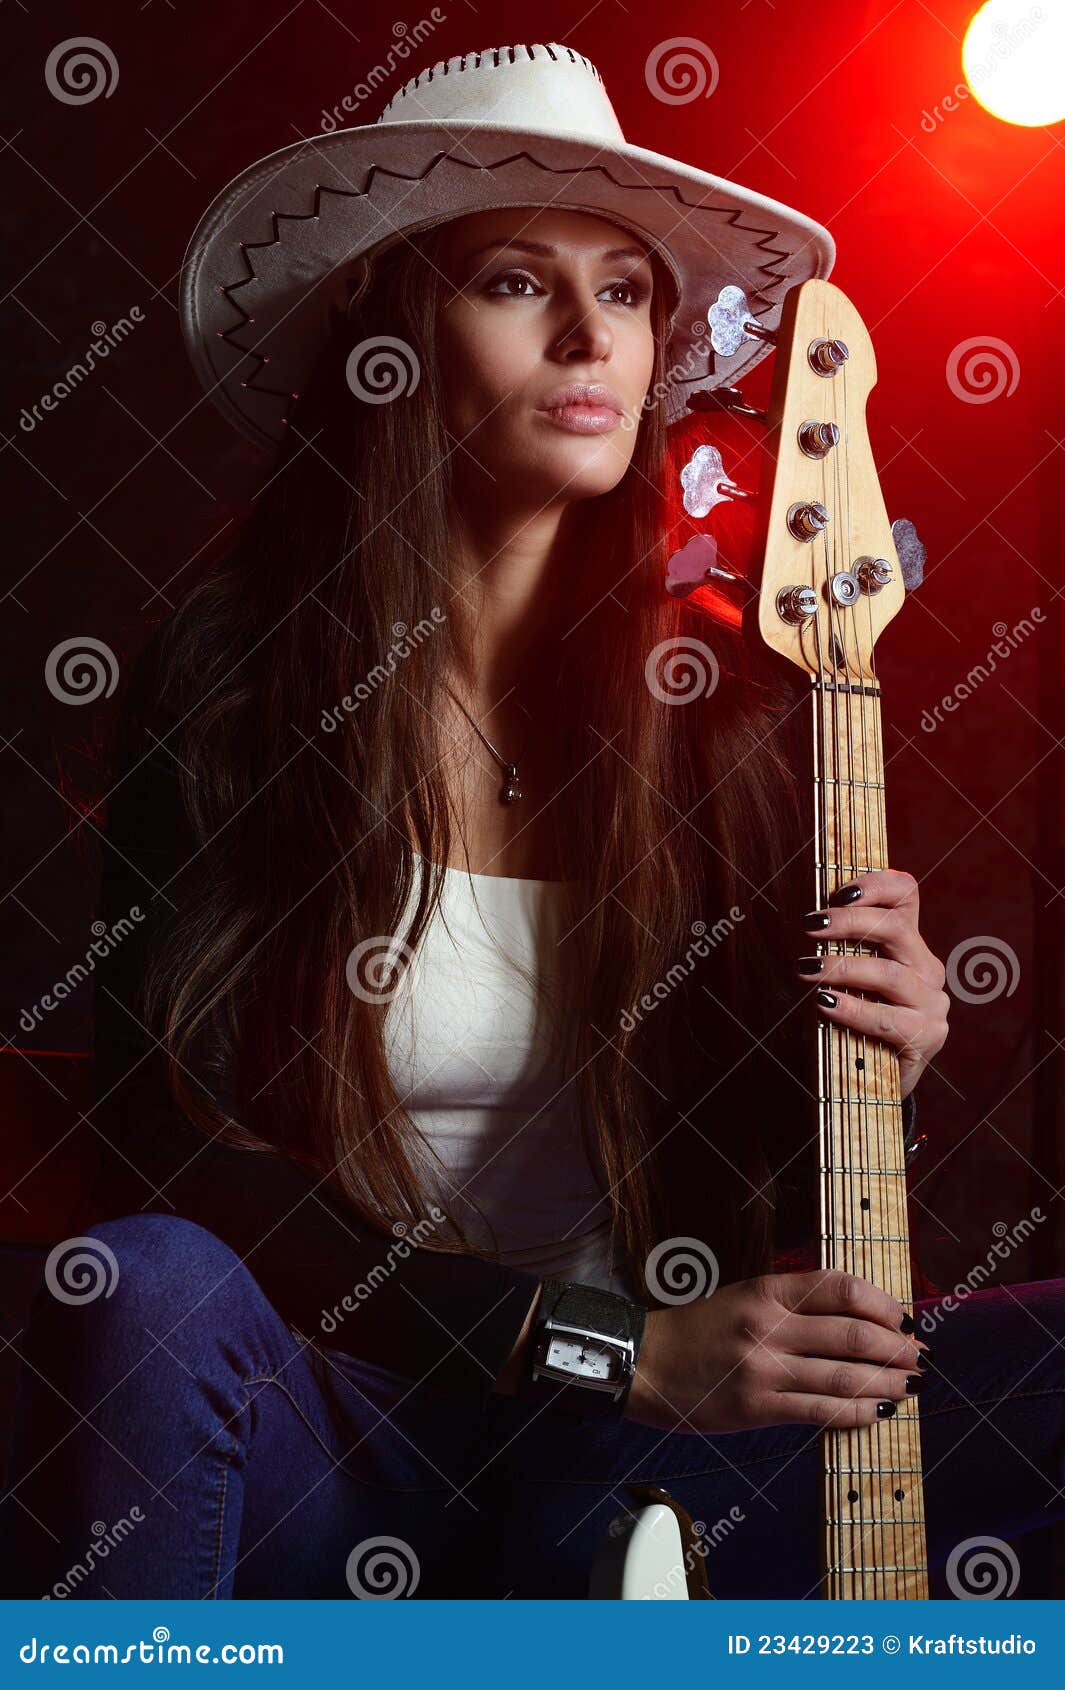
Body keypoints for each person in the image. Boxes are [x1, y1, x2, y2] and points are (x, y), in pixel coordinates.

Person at [2, 41, 1062, 1603]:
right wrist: (601, 1346)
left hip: (664, 1446)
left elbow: (769, 1167)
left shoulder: (725, 704)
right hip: (348, 1421)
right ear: (395, 338)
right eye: (515, 282)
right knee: (142, 1297)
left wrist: (869, 1060)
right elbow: (171, 1151)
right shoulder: (234, 679)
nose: (589, 337)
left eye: (626, 292)